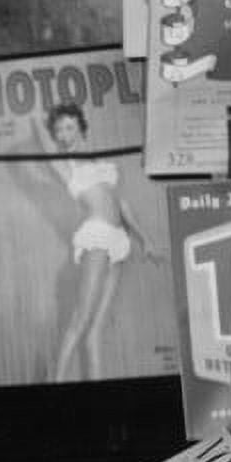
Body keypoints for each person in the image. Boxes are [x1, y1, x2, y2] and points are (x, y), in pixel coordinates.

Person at [35, 101, 164, 382]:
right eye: (58, 130)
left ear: (81, 129)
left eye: (69, 127)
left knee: (95, 330)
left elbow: (123, 206)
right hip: (97, 236)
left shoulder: (103, 164)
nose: (64, 134)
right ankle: (54, 385)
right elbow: (43, 142)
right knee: (80, 320)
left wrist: (146, 241)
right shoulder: (64, 165)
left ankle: (97, 389)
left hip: (120, 240)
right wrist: (42, 117)